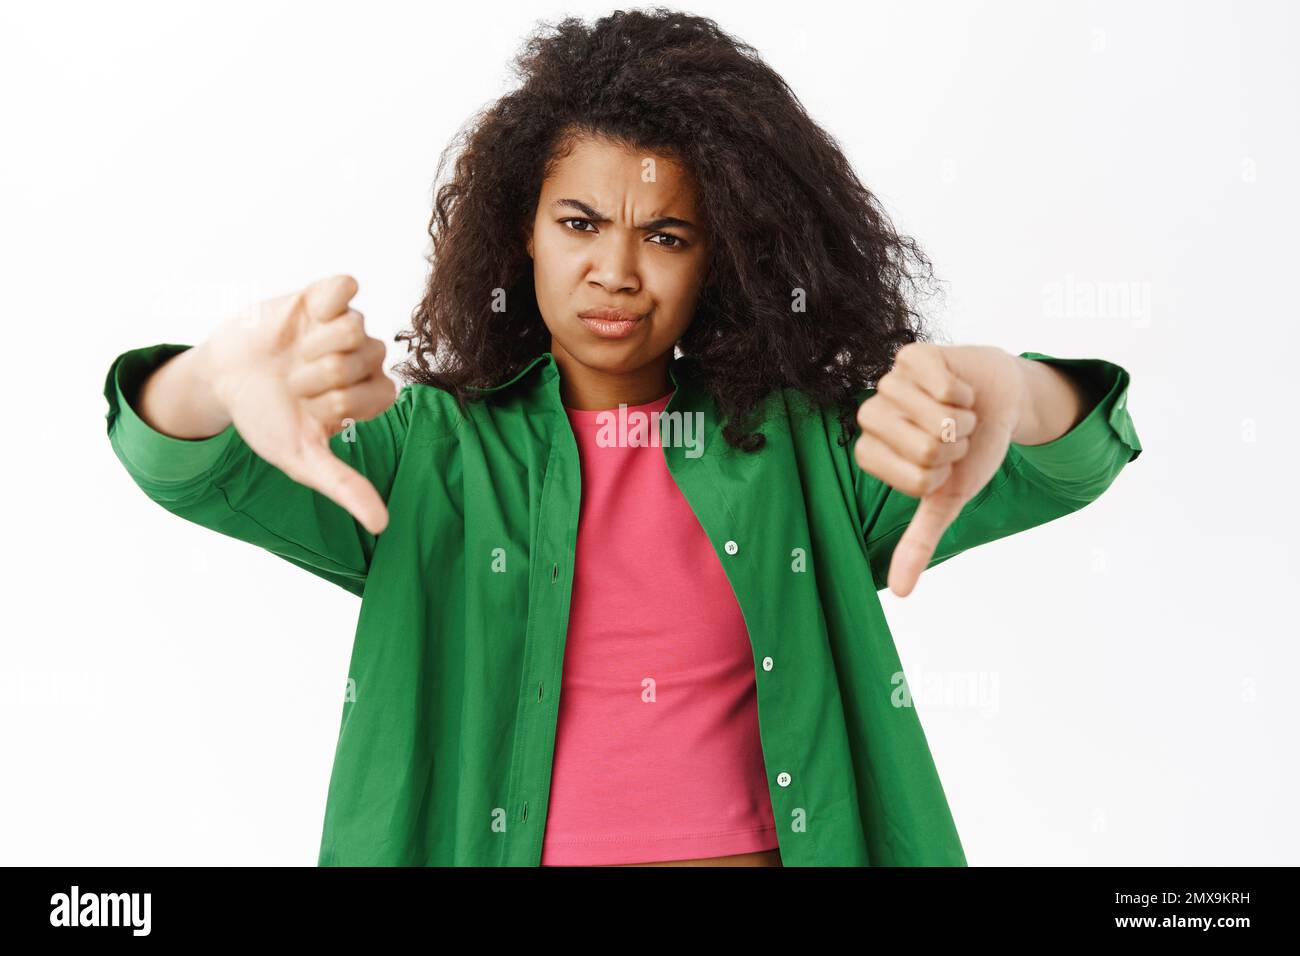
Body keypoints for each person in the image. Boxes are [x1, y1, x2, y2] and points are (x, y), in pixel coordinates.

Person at [102, 9, 1142, 866]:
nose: (616, 271)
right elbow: (183, 462)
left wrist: (1012, 389)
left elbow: (1067, 459)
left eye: (666, 235)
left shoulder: (805, 452)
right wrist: (209, 375)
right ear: (520, 229)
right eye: (579, 223)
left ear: (720, 258)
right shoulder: (428, 453)